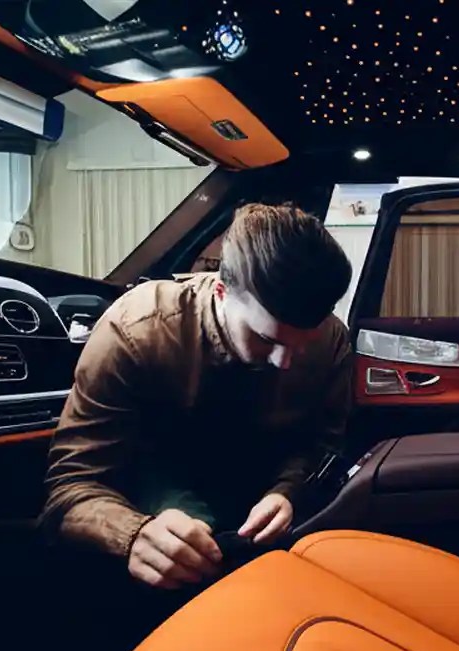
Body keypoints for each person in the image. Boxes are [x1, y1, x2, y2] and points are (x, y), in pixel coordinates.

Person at [40, 202, 354, 591]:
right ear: (221, 291)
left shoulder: (334, 338)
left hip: (266, 512)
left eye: (304, 343)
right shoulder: (136, 330)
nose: (285, 362)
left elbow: (322, 445)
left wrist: (288, 492)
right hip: (155, 503)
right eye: (264, 339)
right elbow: (71, 486)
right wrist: (133, 536)